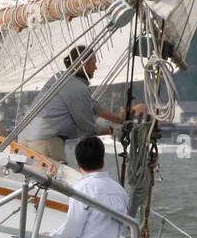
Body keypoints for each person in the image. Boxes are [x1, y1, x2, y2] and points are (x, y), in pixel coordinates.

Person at [6, 134, 127, 238]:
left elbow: (73, 229)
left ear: (78, 164)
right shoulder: (119, 190)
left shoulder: (84, 187)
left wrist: (51, 235)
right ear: (102, 161)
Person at [17, 47, 145, 164]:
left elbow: (92, 105)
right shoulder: (79, 89)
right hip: (44, 143)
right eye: (93, 63)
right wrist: (114, 130)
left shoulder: (58, 78)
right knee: (50, 185)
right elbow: (88, 128)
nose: (96, 68)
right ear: (83, 64)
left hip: (23, 139)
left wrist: (118, 119)